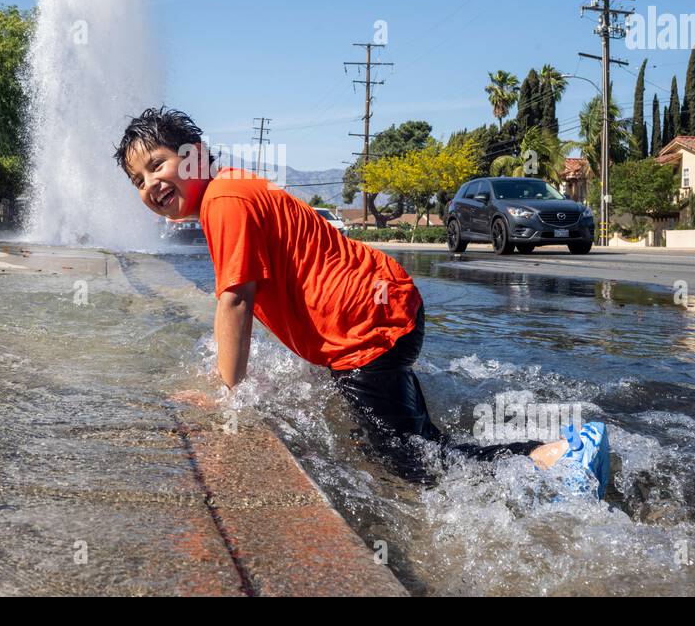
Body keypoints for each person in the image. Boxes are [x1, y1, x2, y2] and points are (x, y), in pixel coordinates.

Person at [114, 106, 609, 494]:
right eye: (138, 180)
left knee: (412, 464)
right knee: (420, 442)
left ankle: (558, 457)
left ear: (194, 154)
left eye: (157, 164)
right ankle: (552, 451)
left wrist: (229, 397)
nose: (151, 184)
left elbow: (235, 301)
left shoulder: (224, 200)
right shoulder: (233, 189)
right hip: (382, 311)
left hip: (368, 331)